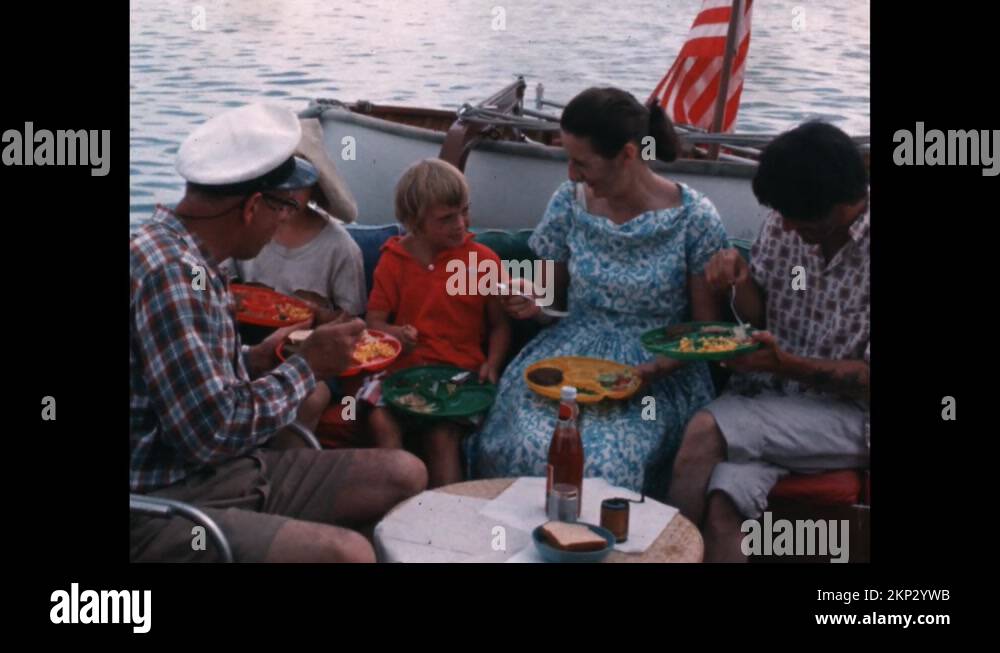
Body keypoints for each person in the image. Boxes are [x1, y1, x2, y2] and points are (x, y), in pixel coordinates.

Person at [130, 103, 426, 563]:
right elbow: (211, 432)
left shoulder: (192, 259)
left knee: (404, 474)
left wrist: (254, 360)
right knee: (348, 554)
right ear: (251, 207)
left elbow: (179, 385)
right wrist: (307, 368)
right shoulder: (172, 275)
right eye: (284, 209)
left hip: (220, 472)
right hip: (162, 501)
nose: (284, 223)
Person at [469, 87, 729, 498]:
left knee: (603, 464)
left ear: (627, 155)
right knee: (528, 442)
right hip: (566, 360)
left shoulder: (695, 218)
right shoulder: (569, 202)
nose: (571, 175)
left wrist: (651, 371)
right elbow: (551, 300)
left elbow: (704, 332)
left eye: (580, 163)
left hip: (658, 373)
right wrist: (531, 300)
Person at [668, 121, 870, 562]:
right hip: (771, 399)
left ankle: (661, 556)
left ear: (837, 209)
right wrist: (736, 278)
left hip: (851, 415)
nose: (786, 229)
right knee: (724, 512)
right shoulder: (784, 222)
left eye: (797, 223)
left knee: (704, 431)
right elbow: (756, 314)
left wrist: (784, 365)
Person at [364, 158, 511, 488]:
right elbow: (373, 323)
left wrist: (493, 363)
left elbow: (500, 326)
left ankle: (446, 519)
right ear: (415, 222)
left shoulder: (482, 261)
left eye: (464, 211)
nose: (461, 223)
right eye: (447, 218)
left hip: (459, 377)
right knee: (380, 421)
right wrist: (396, 335)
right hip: (400, 374)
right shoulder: (394, 260)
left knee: (442, 438)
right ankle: (395, 509)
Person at [226, 120, 368, 430]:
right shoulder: (245, 233)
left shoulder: (340, 248)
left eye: (297, 182)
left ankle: (292, 462)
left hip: (310, 355)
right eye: (278, 181)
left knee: (312, 397)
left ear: (316, 186)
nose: (287, 192)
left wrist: (317, 314)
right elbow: (215, 280)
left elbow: (354, 323)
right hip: (247, 346)